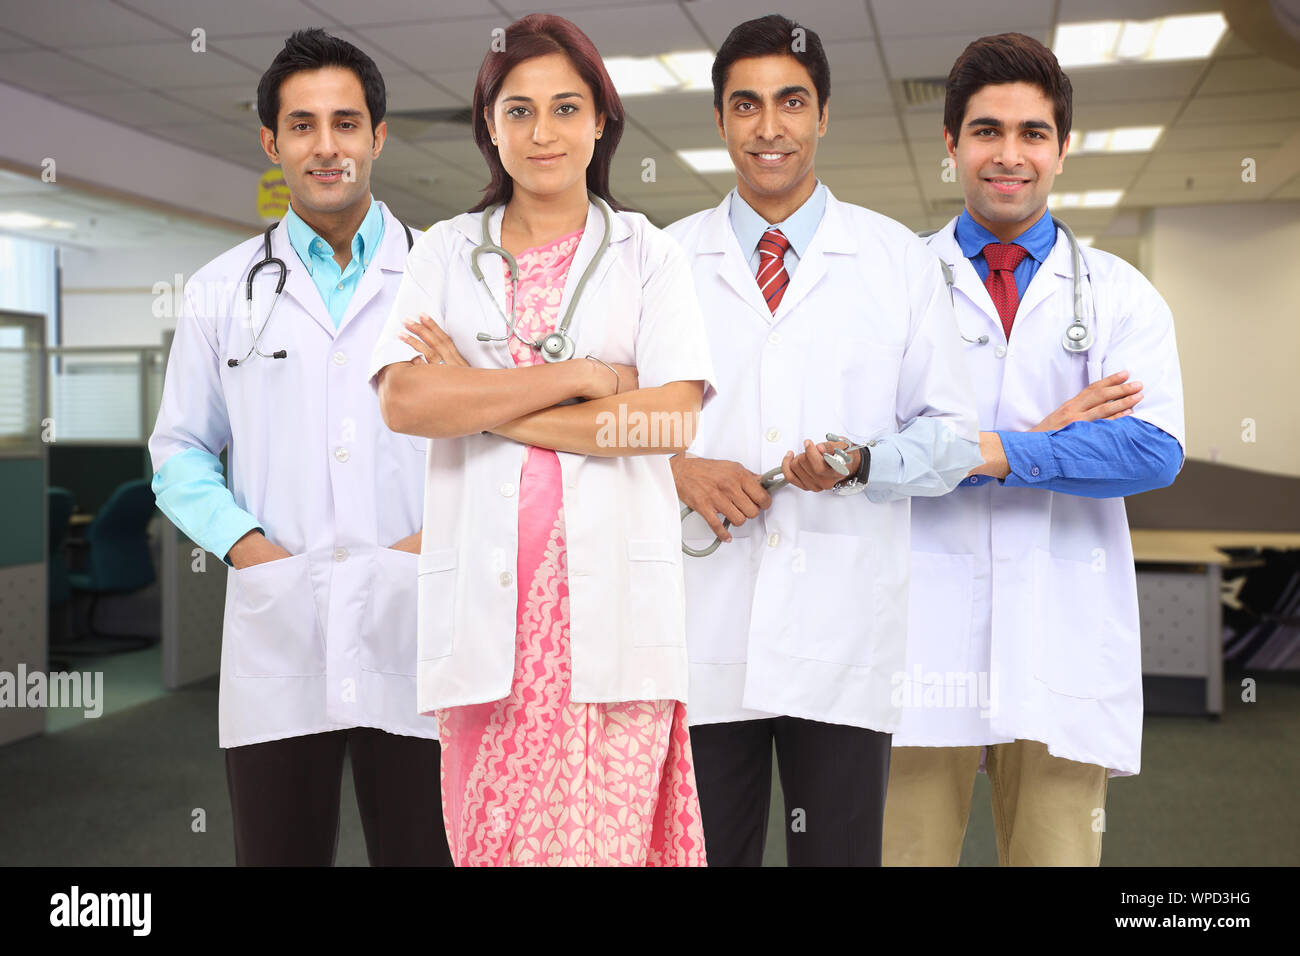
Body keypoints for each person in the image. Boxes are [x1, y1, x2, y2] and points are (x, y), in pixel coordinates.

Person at [368, 13, 715, 867]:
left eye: (566, 107)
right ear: (490, 127)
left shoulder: (647, 255)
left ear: (601, 121)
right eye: (517, 110)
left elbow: (669, 420)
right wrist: (581, 376)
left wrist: (479, 401)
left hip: (613, 631)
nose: (543, 131)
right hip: (488, 628)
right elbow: (407, 401)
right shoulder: (446, 252)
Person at [665, 14, 983, 867]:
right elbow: (611, 424)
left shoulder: (897, 262)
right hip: (702, 633)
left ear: (824, 116)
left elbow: (953, 439)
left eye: (791, 103)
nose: (770, 128)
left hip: (841, 633)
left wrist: (866, 461)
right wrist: (677, 468)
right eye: (747, 105)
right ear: (722, 121)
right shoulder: (662, 261)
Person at [148, 28, 451, 866]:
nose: (327, 146)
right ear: (271, 144)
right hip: (280, 625)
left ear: (378, 138)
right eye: (304, 125)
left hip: (417, 619)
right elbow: (178, 451)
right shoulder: (220, 290)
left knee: (427, 850)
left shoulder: (450, 277)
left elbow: (496, 445)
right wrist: (252, 552)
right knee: (279, 852)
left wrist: (435, 542)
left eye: (347, 123)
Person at [883, 33, 1186, 867]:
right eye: (985, 132)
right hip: (919, 642)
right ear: (951, 145)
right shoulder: (893, 283)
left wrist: (986, 450)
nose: (1008, 155)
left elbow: (1152, 451)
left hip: (1061, 634)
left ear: (1061, 148)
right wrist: (1053, 436)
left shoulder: (1121, 293)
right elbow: (868, 456)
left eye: (1031, 134)